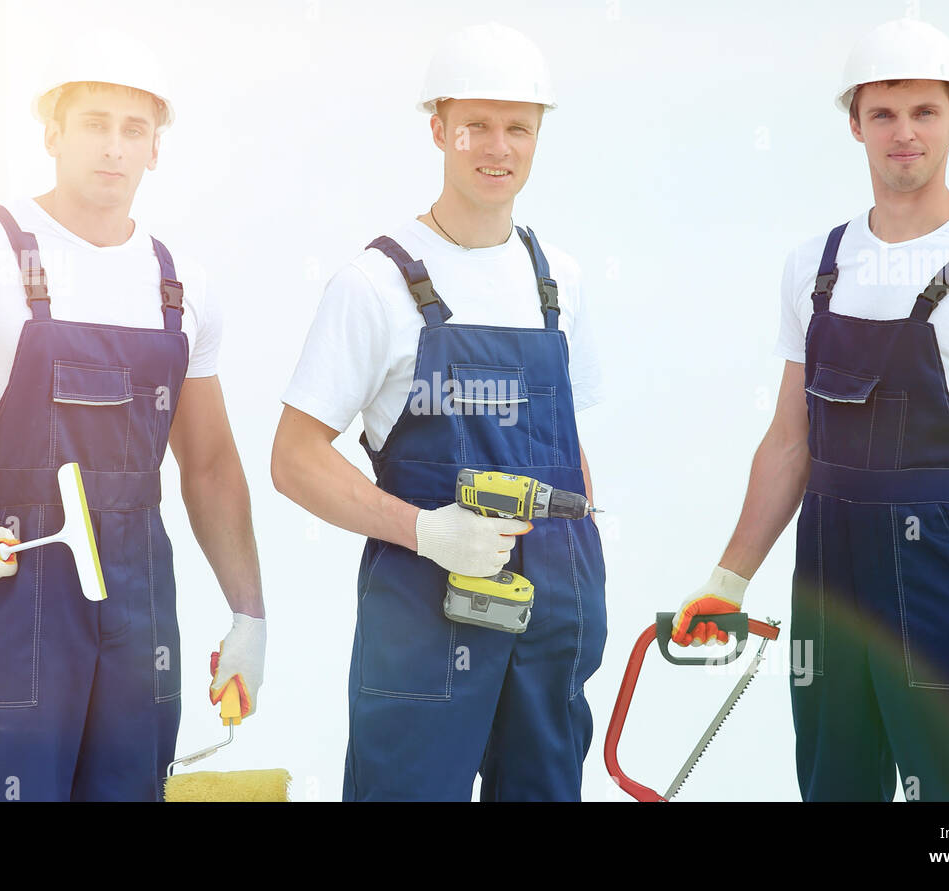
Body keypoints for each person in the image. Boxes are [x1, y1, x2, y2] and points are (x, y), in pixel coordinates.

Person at [0, 32, 267, 802]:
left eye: (135, 129)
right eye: (94, 122)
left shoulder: (181, 284)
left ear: (156, 147)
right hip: (22, 572)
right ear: (52, 131)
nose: (114, 147)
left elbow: (210, 464)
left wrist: (249, 613)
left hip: (143, 589)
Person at [670, 18, 949, 801]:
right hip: (826, 573)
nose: (904, 133)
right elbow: (789, 442)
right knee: (833, 787)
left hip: (941, 573)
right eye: (883, 113)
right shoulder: (817, 263)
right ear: (854, 121)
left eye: (925, 111)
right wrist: (729, 578)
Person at [271, 22, 607, 801]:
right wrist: (426, 530)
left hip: (553, 614)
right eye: (476, 126)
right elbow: (293, 457)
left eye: (517, 127)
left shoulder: (560, 280)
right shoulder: (376, 284)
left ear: (538, 135)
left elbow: (570, 446)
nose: (498, 146)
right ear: (439, 131)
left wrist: (582, 577)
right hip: (425, 616)